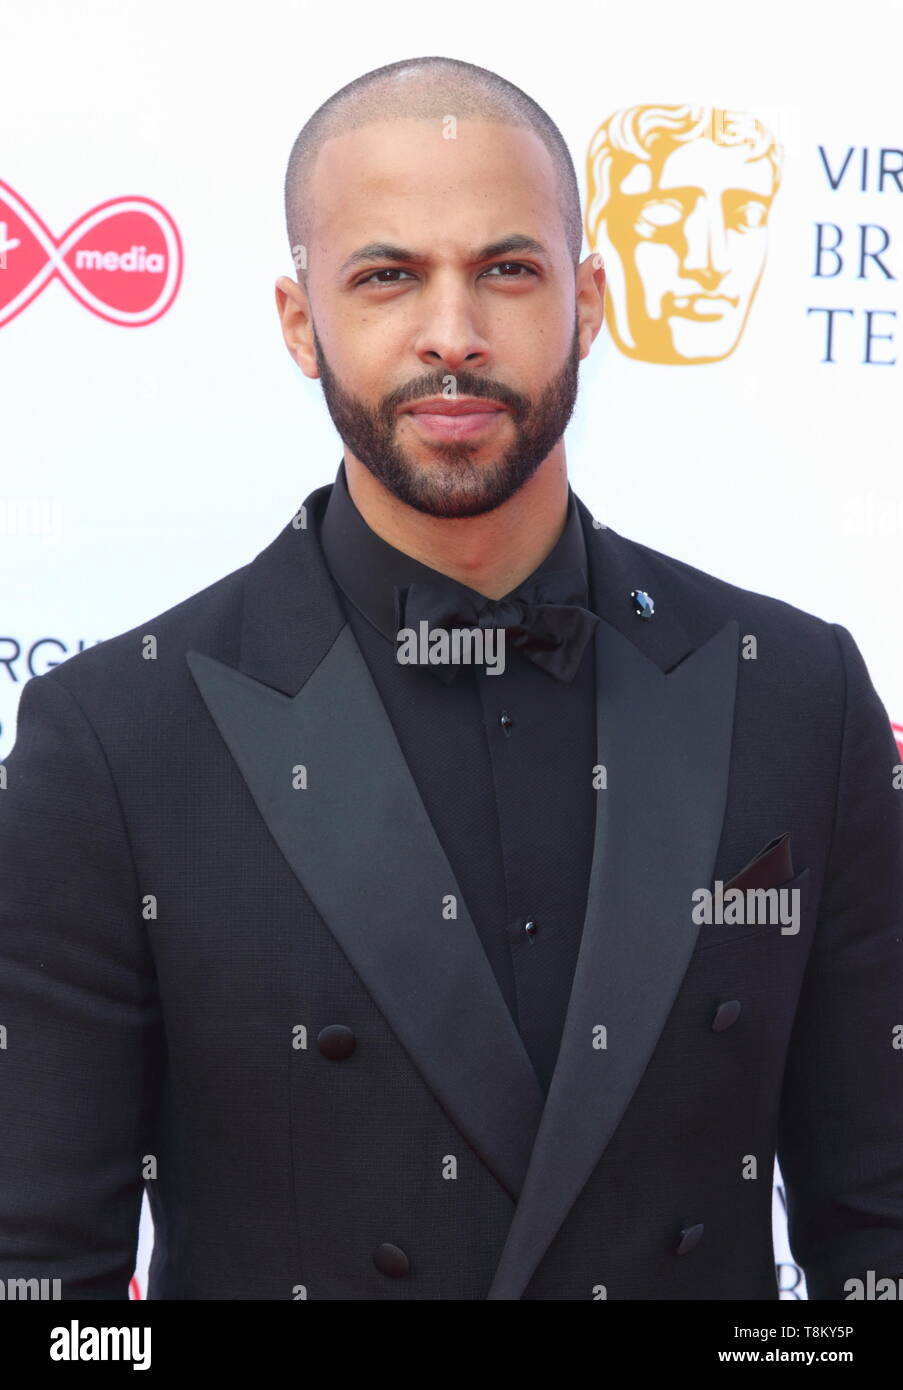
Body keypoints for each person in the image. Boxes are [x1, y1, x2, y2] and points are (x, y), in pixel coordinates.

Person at [1, 55, 901, 1302]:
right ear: (297, 318)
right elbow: (46, 1285)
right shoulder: (115, 740)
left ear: (588, 301)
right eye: (386, 276)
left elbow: (880, 1224)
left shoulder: (797, 692)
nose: (453, 332)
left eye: (507, 269)